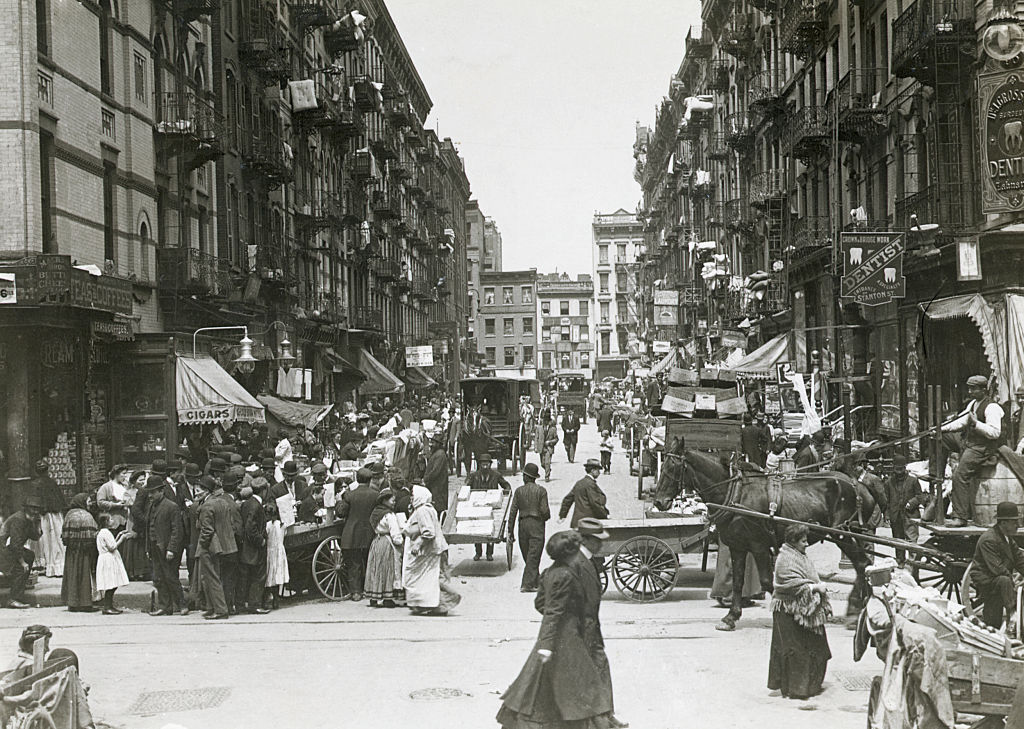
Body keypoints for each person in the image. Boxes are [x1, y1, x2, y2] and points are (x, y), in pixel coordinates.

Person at [497, 531, 614, 729]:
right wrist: (553, 637)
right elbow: (552, 612)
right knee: (576, 686)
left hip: (558, 637)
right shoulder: (566, 575)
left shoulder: (550, 572)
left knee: (545, 684)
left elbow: (541, 603)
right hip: (566, 637)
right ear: (569, 551)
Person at [768, 524, 832, 700]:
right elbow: (789, 584)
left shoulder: (799, 555)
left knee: (817, 648)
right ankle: (797, 689)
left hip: (804, 611)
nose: (806, 544)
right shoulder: (785, 559)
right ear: (793, 541)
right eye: (803, 541)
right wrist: (815, 587)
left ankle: (810, 686)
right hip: (789, 612)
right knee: (796, 652)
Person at [940, 375, 1006, 527]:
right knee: (941, 437)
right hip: (969, 443)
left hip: (983, 448)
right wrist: (940, 428)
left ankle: (960, 517)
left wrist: (976, 424)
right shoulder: (973, 404)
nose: (970, 391)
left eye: (973, 389)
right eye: (969, 388)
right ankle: (936, 471)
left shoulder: (992, 408)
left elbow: (995, 433)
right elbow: (961, 422)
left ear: (984, 389)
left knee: (960, 476)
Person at [402, 486, 460, 616]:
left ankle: (440, 603)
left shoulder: (423, 510)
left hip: (429, 551)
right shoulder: (426, 509)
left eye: (413, 496)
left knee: (425, 580)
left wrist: (418, 544)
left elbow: (428, 532)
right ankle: (428, 604)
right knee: (429, 580)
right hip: (432, 550)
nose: (411, 498)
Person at [970, 501, 1024, 629]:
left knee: (1004, 582)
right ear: (1003, 523)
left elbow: (1020, 560)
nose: (1018, 525)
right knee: (1004, 580)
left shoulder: (1007, 538)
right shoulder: (989, 539)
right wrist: (1013, 584)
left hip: (998, 580)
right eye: (1014, 522)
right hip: (987, 580)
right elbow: (997, 568)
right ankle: (1013, 616)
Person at [196, 474, 236, 620]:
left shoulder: (206, 506)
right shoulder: (222, 502)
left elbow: (206, 530)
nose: (196, 491)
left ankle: (219, 610)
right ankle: (212, 607)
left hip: (210, 547)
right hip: (224, 545)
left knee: (211, 578)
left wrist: (203, 546)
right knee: (216, 577)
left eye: (199, 488)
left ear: (206, 491)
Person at [336, 467, 378, 602]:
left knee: (354, 563)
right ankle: (369, 588)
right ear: (370, 480)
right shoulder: (375, 494)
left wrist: (338, 501)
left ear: (356, 479)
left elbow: (341, 513)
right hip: (369, 532)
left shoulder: (349, 495)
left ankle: (356, 592)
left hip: (351, 533)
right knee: (368, 561)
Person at [508, 463, 549, 592]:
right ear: (535, 477)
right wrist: (543, 518)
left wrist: (510, 531)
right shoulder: (541, 491)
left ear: (525, 476)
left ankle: (536, 581)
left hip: (523, 525)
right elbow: (545, 512)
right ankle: (527, 584)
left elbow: (513, 512)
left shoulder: (519, 491)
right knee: (534, 555)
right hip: (536, 524)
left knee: (528, 555)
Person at [146, 477, 184, 616]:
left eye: (153, 492)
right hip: (155, 547)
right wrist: (148, 548)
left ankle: (181, 604)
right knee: (158, 577)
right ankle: (165, 606)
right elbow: (148, 528)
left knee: (171, 577)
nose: (150, 496)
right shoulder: (152, 506)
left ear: (161, 491)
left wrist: (171, 549)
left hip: (166, 548)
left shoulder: (171, 506)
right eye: (149, 493)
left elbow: (176, 530)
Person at [364, 489, 405, 608]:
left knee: (376, 569)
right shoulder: (389, 515)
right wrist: (401, 542)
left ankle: (374, 597)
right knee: (388, 569)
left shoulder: (375, 513)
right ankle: (388, 597)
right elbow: (395, 534)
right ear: (385, 500)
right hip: (387, 543)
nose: (394, 502)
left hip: (377, 542)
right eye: (392, 500)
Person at [467, 454, 512, 561]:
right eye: (483, 464)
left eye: (487, 464)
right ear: (479, 465)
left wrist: (505, 492)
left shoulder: (496, 475)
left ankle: (489, 553)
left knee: (490, 529)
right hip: (477, 506)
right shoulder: (474, 476)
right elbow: (466, 487)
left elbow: (506, 485)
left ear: (490, 464)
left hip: (491, 507)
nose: (485, 466)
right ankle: (478, 552)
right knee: (477, 529)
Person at [887, 455, 927, 564]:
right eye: (897, 469)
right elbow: (887, 500)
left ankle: (912, 563)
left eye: (901, 469)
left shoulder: (913, 481)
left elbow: (920, 496)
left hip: (911, 515)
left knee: (911, 540)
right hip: (896, 516)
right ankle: (900, 561)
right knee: (898, 540)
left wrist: (911, 503)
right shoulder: (889, 482)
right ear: (893, 468)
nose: (899, 472)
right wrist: (887, 515)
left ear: (905, 468)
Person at [59, 494, 96, 612]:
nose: (90, 503)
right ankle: (85, 603)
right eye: (89, 501)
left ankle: (72, 603)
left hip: (71, 551)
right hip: (84, 551)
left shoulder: (69, 515)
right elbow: (92, 537)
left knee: (72, 574)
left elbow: (64, 536)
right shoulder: (87, 516)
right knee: (84, 576)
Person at [30, 459, 66, 578]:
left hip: (42, 516)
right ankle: (57, 566)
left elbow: (34, 502)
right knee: (56, 540)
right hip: (54, 516)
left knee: (44, 540)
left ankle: (44, 565)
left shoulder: (35, 484)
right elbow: (60, 500)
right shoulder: (52, 483)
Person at [238, 483, 269, 614]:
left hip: (245, 547)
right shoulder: (256, 505)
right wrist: (260, 540)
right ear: (263, 491)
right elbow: (250, 527)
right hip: (254, 548)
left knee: (245, 576)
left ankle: (241, 604)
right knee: (258, 576)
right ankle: (255, 604)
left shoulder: (247, 503)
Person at [95, 514, 131, 615]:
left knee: (112, 583)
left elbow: (111, 543)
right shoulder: (105, 532)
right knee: (111, 584)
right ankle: (107, 606)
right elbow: (112, 547)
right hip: (108, 559)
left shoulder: (103, 532)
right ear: (106, 522)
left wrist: (119, 534)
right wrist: (122, 539)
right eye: (110, 519)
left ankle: (109, 605)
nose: (112, 521)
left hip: (107, 558)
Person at [559, 459, 610, 528]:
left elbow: (567, 499)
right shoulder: (590, 484)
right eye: (598, 470)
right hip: (588, 522)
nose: (599, 472)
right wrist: (604, 515)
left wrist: (563, 515)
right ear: (592, 471)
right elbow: (595, 503)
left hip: (577, 521)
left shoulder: (579, 483)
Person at [122, 471, 149, 581]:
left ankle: (143, 571)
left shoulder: (145, 491)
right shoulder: (128, 493)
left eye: (143, 479)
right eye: (140, 480)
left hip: (142, 519)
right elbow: (131, 505)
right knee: (133, 544)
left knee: (141, 546)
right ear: (134, 481)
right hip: (133, 520)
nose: (142, 482)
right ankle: (133, 572)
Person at [264, 500, 289, 610]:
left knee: (270, 574)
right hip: (280, 551)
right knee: (278, 573)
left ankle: (269, 597)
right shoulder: (282, 525)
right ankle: (276, 600)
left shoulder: (267, 526)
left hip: (270, 551)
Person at [95, 465, 130, 537]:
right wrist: (115, 505)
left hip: (125, 520)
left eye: (126, 474)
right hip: (112, 521)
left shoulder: (125, 486)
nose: (125, 476)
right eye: (123, 473)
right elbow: (100, 502)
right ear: (116, 474)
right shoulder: (106, 487)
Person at [423, 433, 450, 513]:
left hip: (438, 486)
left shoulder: (440, 455)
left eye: (433, 443)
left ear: (438, 444)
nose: (431, 445)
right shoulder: (436, 453)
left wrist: (426, 480)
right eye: (431, 442)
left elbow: (435, 471)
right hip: (435, 486)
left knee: (438, 507)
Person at [538, 415, 558, 482]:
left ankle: (547, 476)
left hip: (549, 448)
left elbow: (556, 439)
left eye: (547, 421)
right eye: (544, 421)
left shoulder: (553, 429)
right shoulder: (539, 428)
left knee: (547, 462)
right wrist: (536, 447)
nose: (545, 422)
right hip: (541, 448)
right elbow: (536, 438)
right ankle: (548, 469)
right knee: (542, 464)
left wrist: (549, 442)